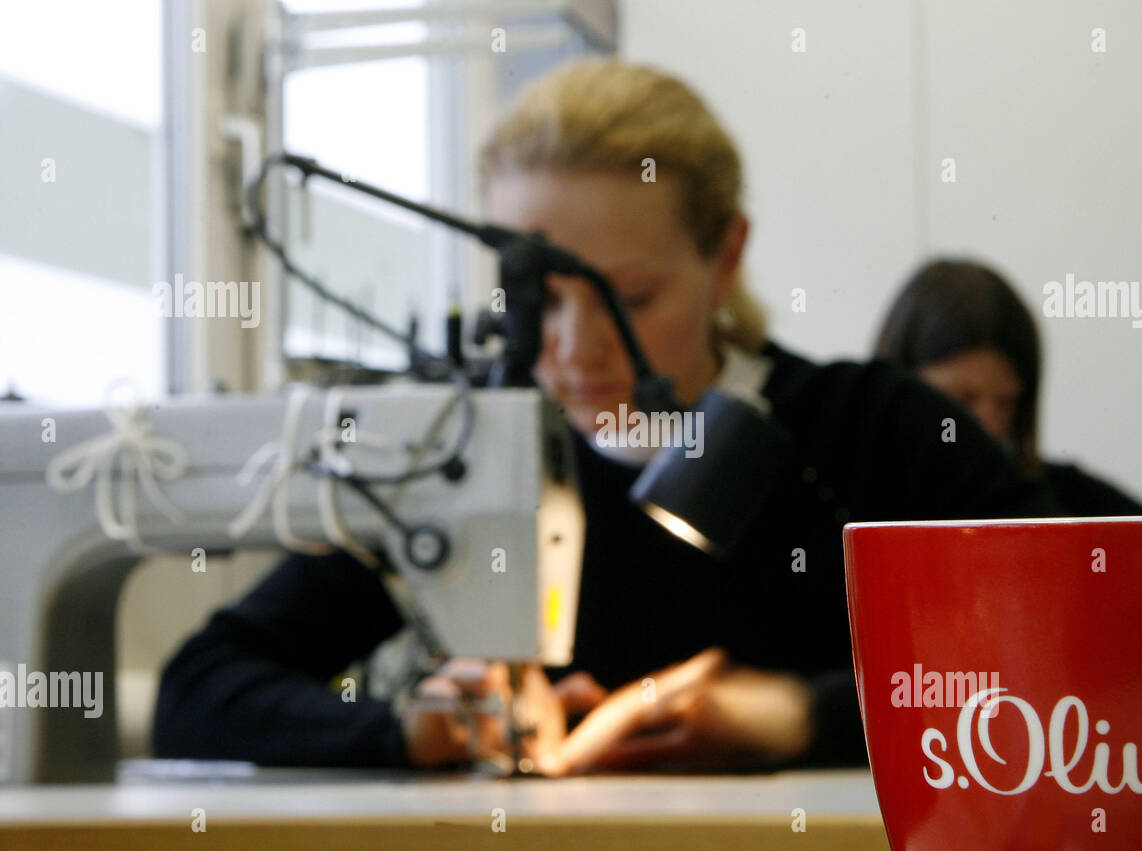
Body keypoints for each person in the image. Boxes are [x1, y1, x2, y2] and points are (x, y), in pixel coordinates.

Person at [153, 58, 1060, 776]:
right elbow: (199, 691)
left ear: (727, 254)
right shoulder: (449, 455)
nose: (577, 350)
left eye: (628, 296)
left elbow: (1069, 656)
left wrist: (794, 714)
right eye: (537, 301)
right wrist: (411, 729)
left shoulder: (870, 431)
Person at [873, 259, 1142, 517]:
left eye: (1006, 403)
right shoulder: (848, 509)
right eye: (959, 402)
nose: (990, 427)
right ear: (896, 391)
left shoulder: (1066, 502)